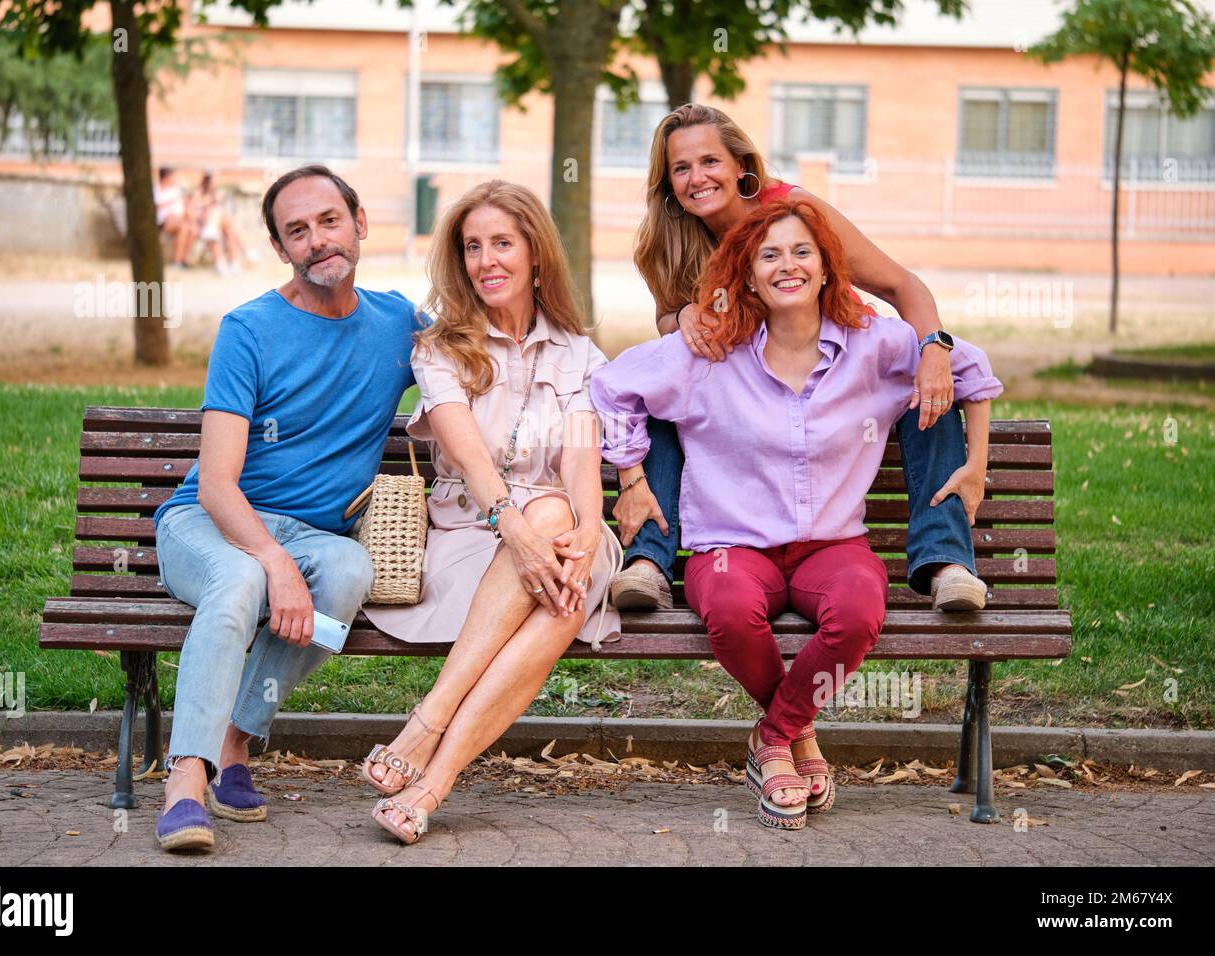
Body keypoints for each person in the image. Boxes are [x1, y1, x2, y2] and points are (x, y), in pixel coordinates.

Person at [591, 199, 1002, 829]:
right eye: (770, 255)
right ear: (747, 275)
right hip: (731, 547)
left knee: (862, 610)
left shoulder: (875, 345)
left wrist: (973, 462)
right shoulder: (708, 353)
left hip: (830, 546)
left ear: (827, 267)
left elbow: (970, 372)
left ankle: (774, 737)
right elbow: (611, 386)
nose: (788, 266)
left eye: (802, 252)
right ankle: (798, 740)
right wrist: (632, 477)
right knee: (728, 610)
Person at [611, 103, 988, 620]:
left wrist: (935, 348)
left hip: (843, 370)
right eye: (681, 168)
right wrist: (682, 318)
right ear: (668, 180)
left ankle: (947, 563)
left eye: (709, 162)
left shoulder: (793, 210)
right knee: (660, 401)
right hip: (755, 382)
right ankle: (649, 563)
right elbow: (665, 321)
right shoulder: (668, 241)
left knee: (925, 382)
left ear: (741, 164)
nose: (697, 178)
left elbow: (901, 284)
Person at [149, 164, 421, 851]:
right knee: (239, 580)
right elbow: (215, 485)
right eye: (296, 231)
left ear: (360, 224)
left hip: (312, 539)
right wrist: (272, 560)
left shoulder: (398, 324)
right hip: (209, 526)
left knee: (349, 579)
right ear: (280, 249)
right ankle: (186, 779)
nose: (317, 241)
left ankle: (237, 738)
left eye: (329, 221)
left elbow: (483, 358)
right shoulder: (249, 330)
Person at [361, 180, 622, 845]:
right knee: (560, 584)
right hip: (472, 535)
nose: (486, 260)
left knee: (561, 528)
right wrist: (521, 525)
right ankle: (432, 773)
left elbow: (581, 459)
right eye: (473, 247)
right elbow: (471, 459)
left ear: (535, 253)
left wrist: (591, 532)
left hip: (565, 534)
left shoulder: (579, 354)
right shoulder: (440, 347)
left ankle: (429, 744)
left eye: (502, 243)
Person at [154, 167, 195, 268]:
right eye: (172, 177)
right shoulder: (155, 189)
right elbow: (154, 206)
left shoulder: (175, 190)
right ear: (165, 177)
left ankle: (182, 260)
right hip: (163, 221)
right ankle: (178, 261)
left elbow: (184, 204)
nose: (174, 179)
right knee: (184, 226)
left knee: (190, 229)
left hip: (179, 219)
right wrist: (170, 202)